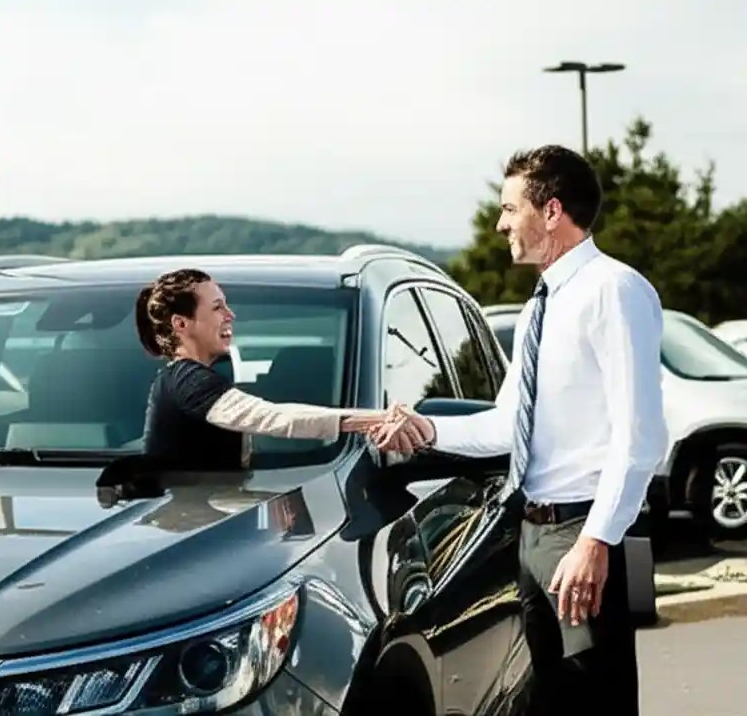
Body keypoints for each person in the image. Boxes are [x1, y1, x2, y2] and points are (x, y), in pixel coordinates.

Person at [369, 145, 666, 715]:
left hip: (578, 533)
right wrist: (425, 429)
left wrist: (596, 541)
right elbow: (509, 427)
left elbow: (640, 435)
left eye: (510, 209)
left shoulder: (613, 290)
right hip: (532, 536)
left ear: (551, 211)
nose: (500, 224)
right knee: (551, 700)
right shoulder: (539, 308)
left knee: (594, 700)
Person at [134, 267, 387, 471]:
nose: (230, 315)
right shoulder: (186, 380)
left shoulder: (180, 379)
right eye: (217, 307)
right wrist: (378, 419)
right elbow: (273, 418)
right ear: (181, 324)